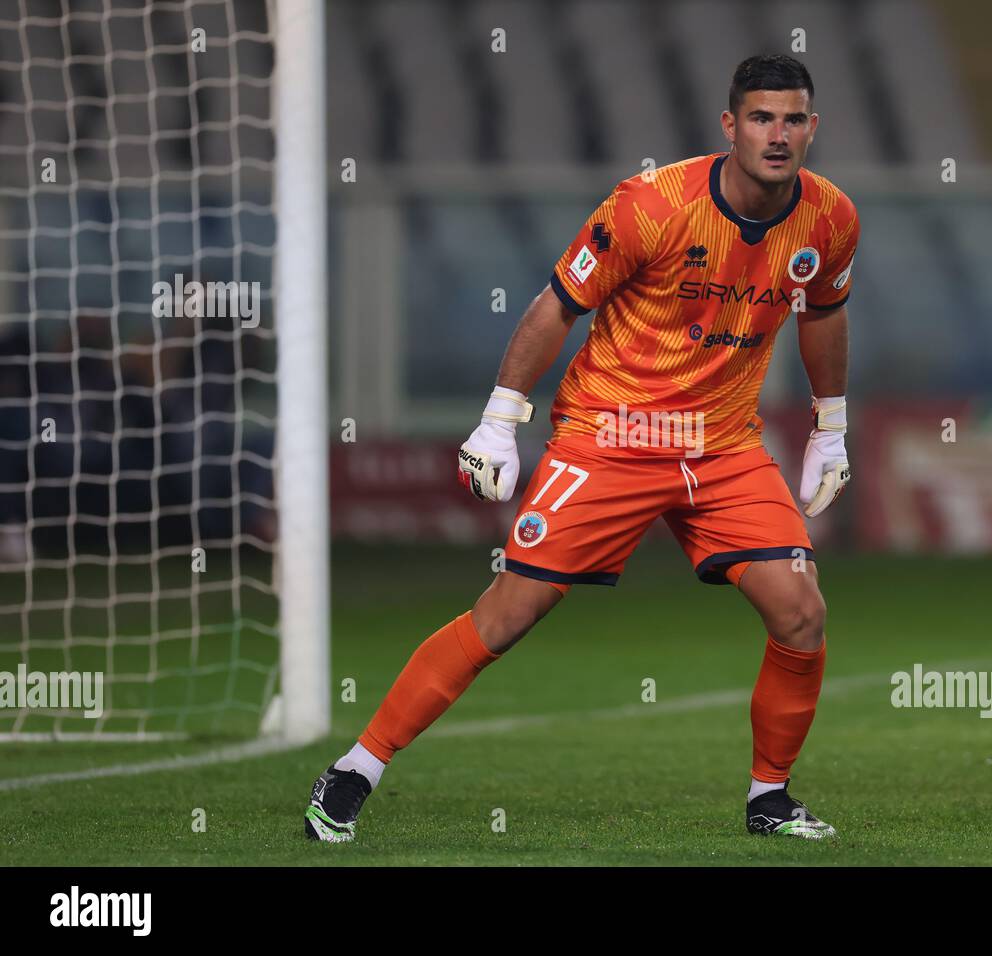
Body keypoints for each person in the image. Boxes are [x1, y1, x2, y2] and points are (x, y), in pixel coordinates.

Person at [306, 54, 859, 843]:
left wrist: (829, 426)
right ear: (730, 125)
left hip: (723, 445)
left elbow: (823, 313)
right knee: (511, 611)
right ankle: (356, 769)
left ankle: (769, 799)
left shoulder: (831, 218)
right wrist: (502, 418)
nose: (779, 135)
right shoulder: (650, 206)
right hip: (613, 433)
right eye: (762, 118)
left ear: (813, 127)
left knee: (801, 612)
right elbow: (556, 305)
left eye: (794, 119)